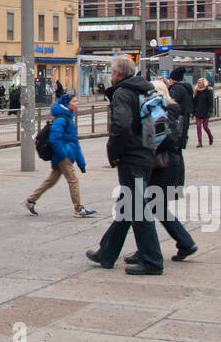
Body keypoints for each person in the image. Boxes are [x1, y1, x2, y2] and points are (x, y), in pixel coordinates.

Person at [85, 55, 166, 275]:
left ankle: (152, 260)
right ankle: (107, 253)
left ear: (118, 74)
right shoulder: (145, 88)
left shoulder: (122, 92)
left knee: (137, 209)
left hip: (132, 157)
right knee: (127, 207)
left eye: (112, 72)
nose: (111, 76)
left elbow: (120, 127)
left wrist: (114, 154)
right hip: (147, 152)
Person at [125, 77, 197, 264]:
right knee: (154, 208)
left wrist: (147, 143)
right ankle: (183, 242)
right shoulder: (174, 110)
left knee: (142, 209)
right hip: (170, 165)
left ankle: (150, 250)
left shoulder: (164, 113)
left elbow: (168, 140)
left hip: (162, 166)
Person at [25, 92, 95, 217]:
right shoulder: (62, 119)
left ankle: (30, 200)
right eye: (74, 101)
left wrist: (81, 162)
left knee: (51, 180)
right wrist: (63, 155)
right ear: (66, 104)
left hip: (65, 155)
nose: (76, 103)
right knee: (73, 180)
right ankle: (79, 208)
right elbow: (54, 139)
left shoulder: (67, 118)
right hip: (63, 156)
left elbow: (74, 142)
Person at [192, 77, 214, 147]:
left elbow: (211, 102)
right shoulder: (197, 90)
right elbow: (194, 102)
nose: (199, 84)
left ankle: (210, 136)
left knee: (205, 127)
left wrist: (210, 111)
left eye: (200, 83)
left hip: (205, 111)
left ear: (204, 83)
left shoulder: (208, 91)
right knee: (198, 126)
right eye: (198, 83)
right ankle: (200, 142)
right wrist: (192, 112)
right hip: (198, 111)